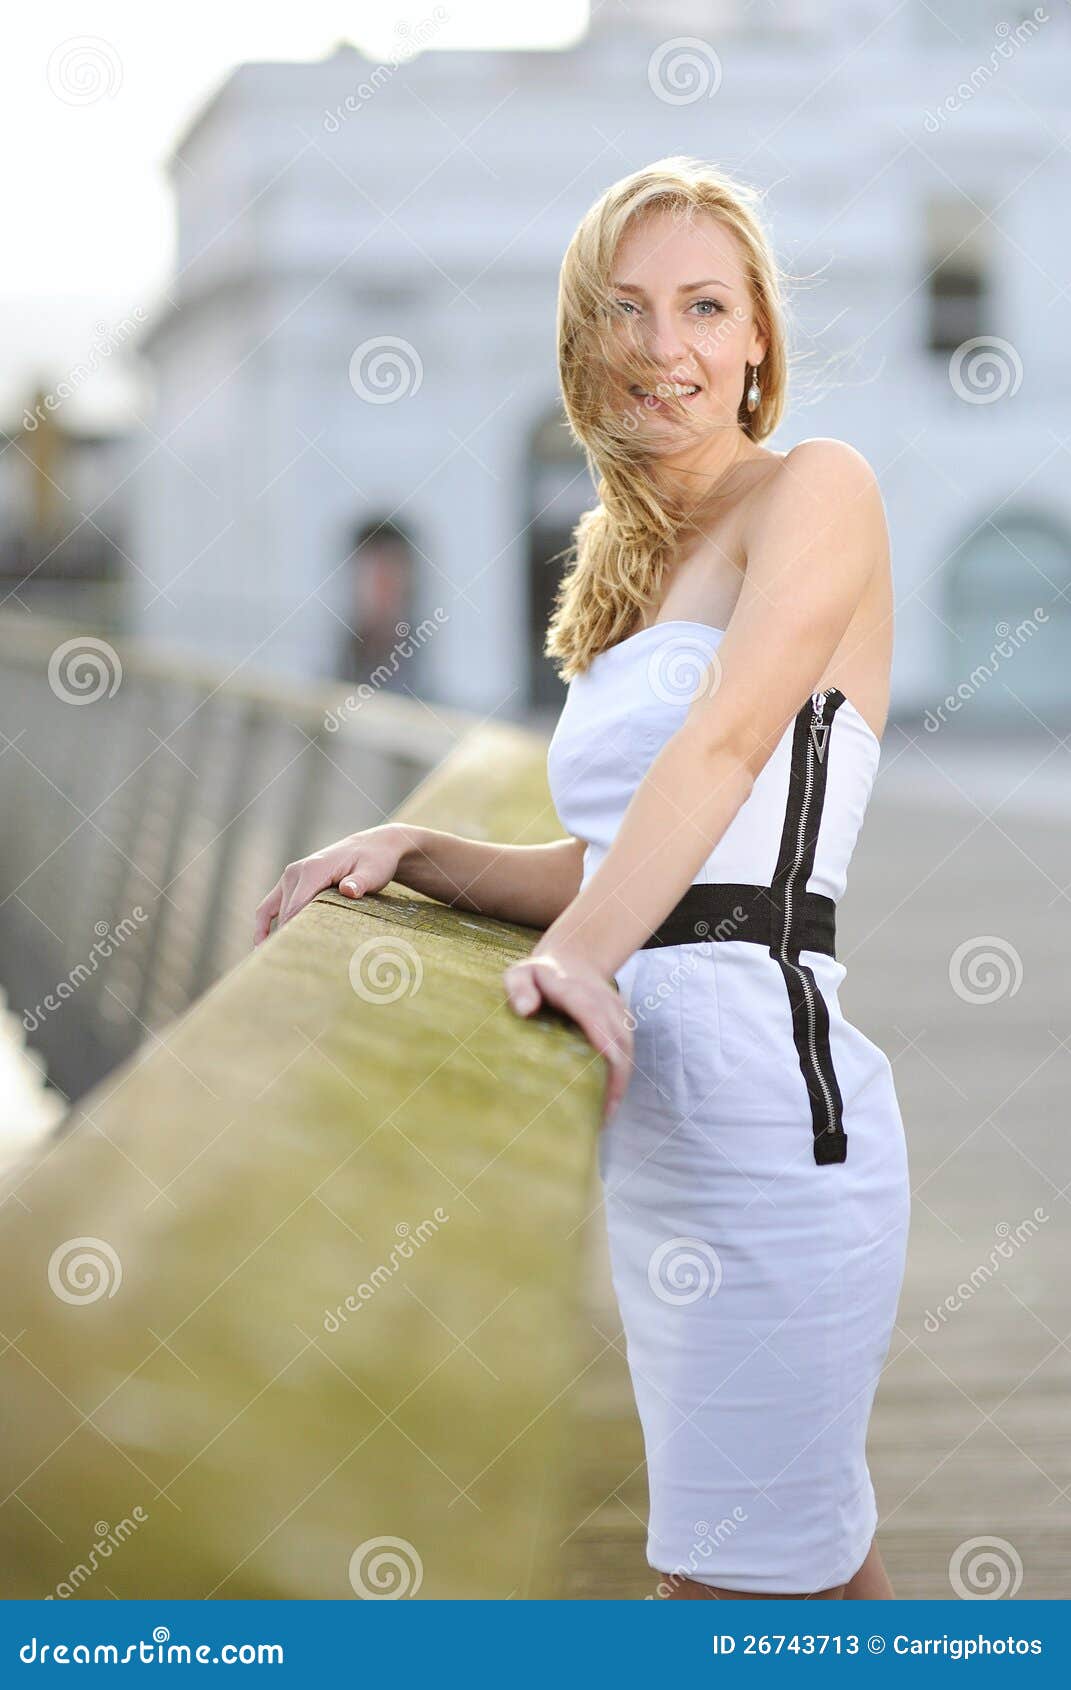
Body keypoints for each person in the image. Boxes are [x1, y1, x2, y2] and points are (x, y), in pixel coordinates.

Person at [252, 156, 911, 1601]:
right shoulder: (629, 570)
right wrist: (423, 853)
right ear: (586, 347)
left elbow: (735, 745)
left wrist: (586, 958)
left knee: (729, 1588)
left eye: (702, 306)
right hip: (660, 1123)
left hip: (771, 1109)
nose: (664, 344)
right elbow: (617, 857)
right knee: (804, 1574)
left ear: (756, 343)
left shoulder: (820, 490)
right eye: (626, 311)